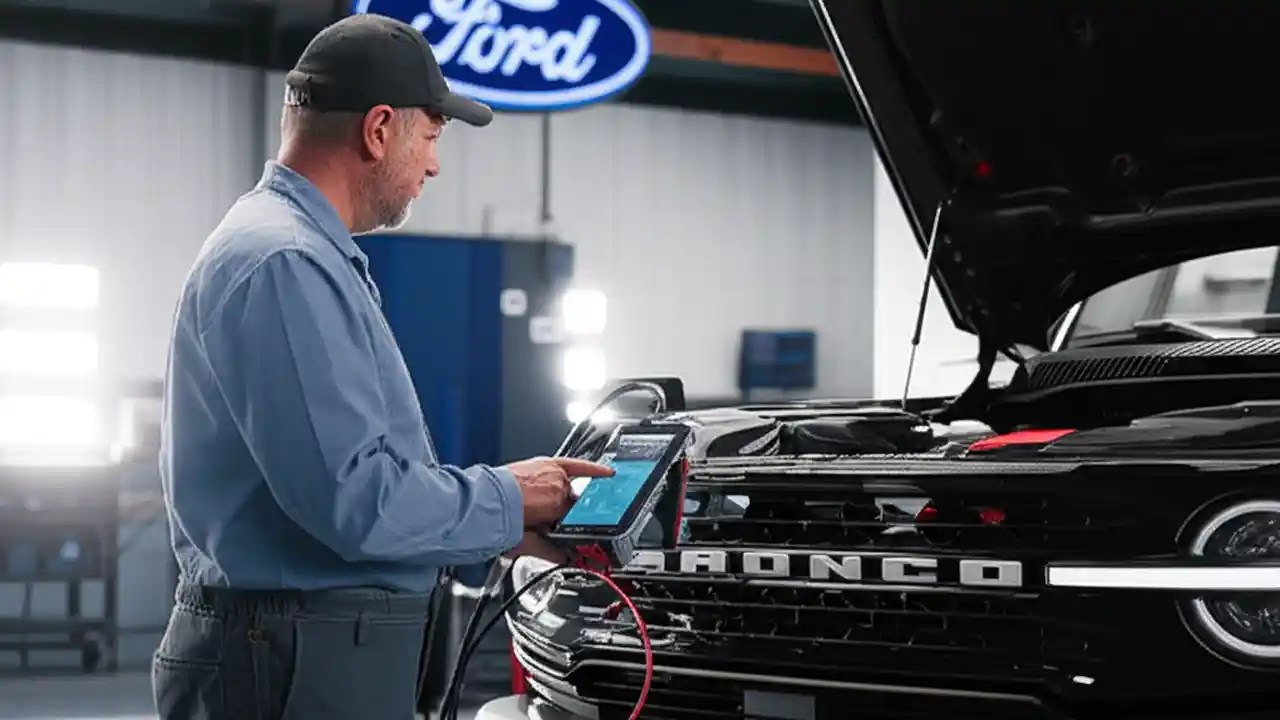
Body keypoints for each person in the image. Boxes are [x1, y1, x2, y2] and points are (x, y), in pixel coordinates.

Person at [152, 13, 613, 720]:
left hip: (302, 651)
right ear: (377, 131)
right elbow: (355, 500)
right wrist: (512, 495)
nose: (433, 164)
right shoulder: (286, 262)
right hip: (290, 661)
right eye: (430, 137)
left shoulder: (298, 252)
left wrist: (500, 528)